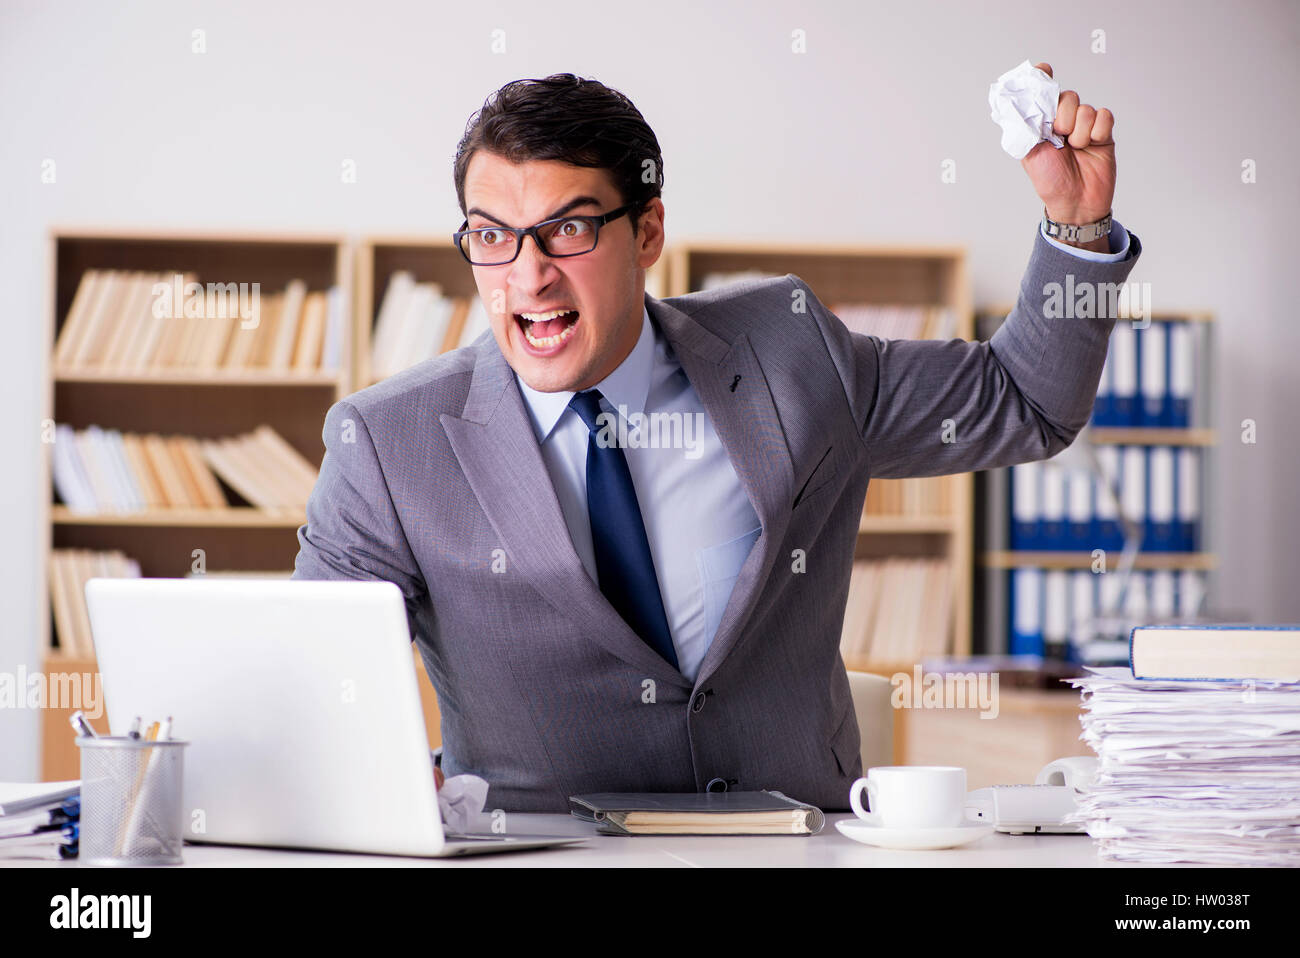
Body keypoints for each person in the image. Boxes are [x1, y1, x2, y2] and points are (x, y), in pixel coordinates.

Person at [294, 67, 1141, 811]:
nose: (529, 273)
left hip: (793, 850)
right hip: (540, 860)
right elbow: (314, 687)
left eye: (570, 229)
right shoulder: (388, 446)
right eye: (491, 235)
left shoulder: (789, 354)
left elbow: (1026, 401)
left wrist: (1076, 228)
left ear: (648, 233)